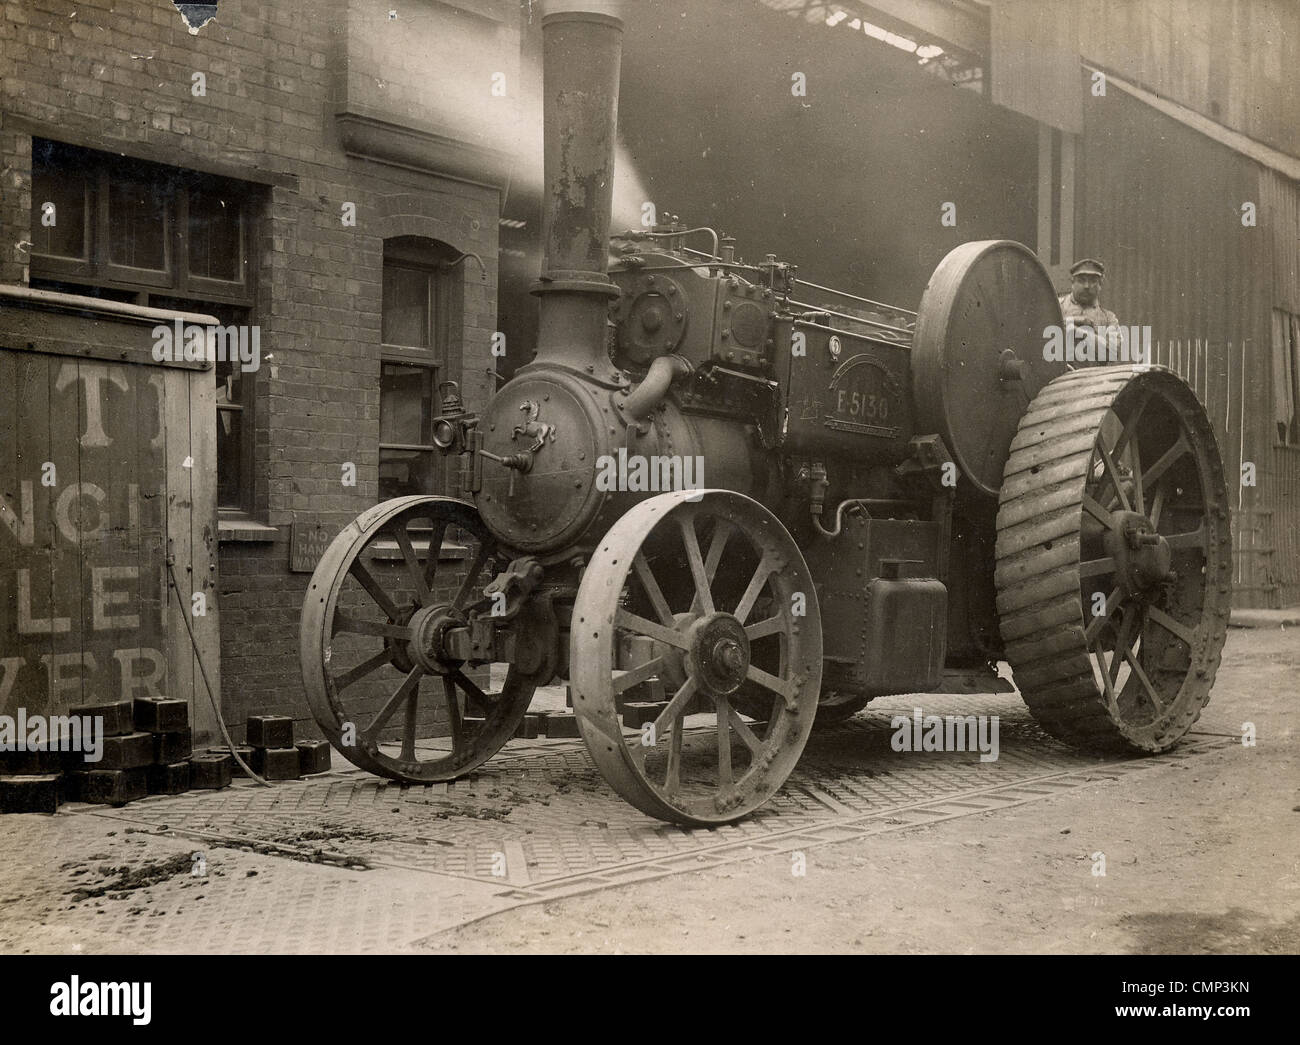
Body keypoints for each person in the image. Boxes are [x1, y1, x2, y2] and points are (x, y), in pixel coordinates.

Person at [1060, 258, 1125, 363]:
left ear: (1100, 284)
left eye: (1093, 281)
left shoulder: (1108, 318)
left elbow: (1113, 353)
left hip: (1092, 377)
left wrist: (1080, 333)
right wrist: (1074, 320)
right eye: (1081, 280)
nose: (1087, 286)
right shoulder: (1057, 306)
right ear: (1072, 282)